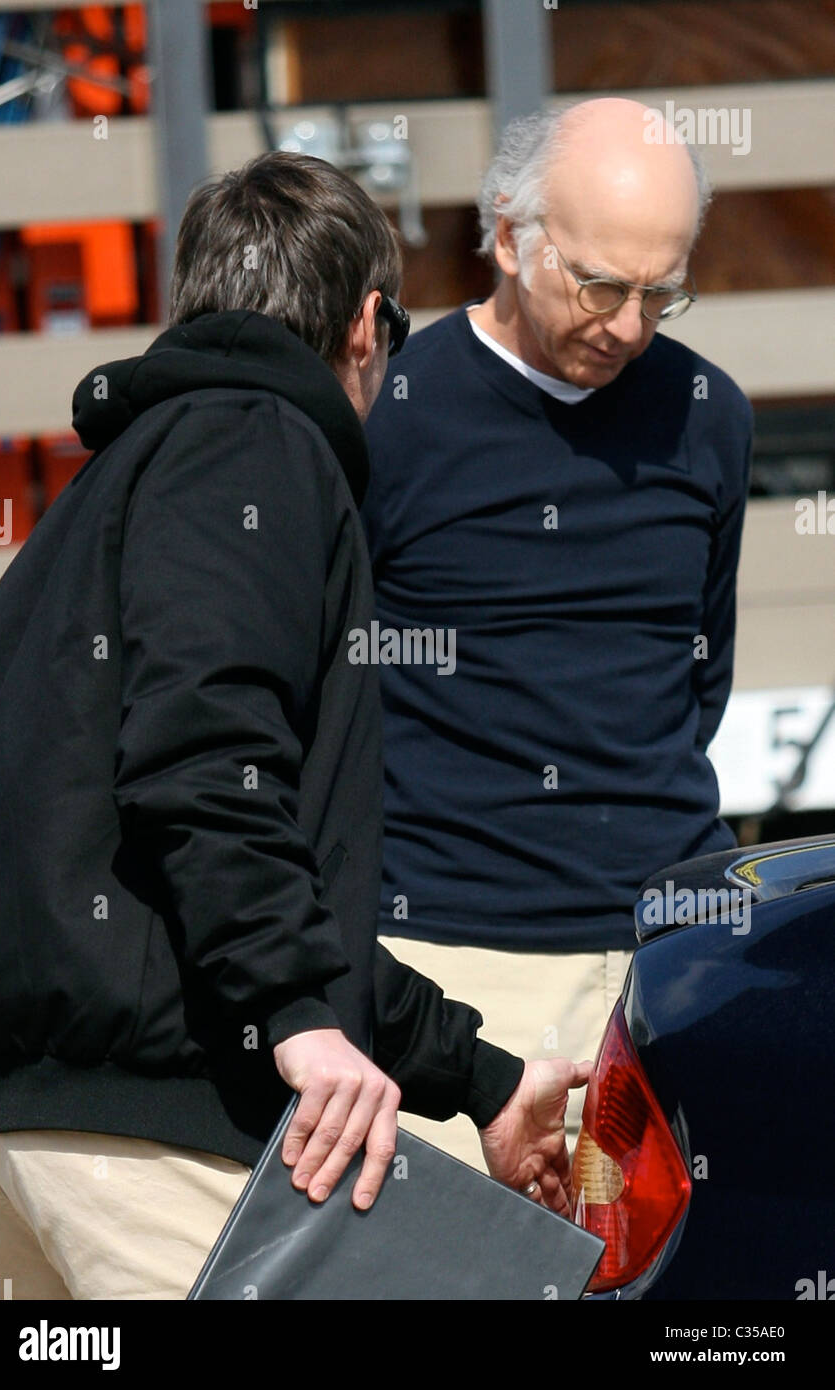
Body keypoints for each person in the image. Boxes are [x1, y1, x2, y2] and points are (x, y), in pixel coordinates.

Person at [0, 152, 589, 1301]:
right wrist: (296, 1018)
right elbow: (204, 762)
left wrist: (486, 1080)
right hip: (152, 1134)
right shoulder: (254, 441)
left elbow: (245, 874)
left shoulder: (106, 494)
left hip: (24, 1129)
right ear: (365, 325)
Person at [362, 98, 754, 1168]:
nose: (627, 325)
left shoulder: (706, 413)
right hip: (444, 965)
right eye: (598, 284)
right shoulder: (390, 413)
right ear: (505, 235)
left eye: (658, 293)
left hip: (665, 954)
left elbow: (695, 673)